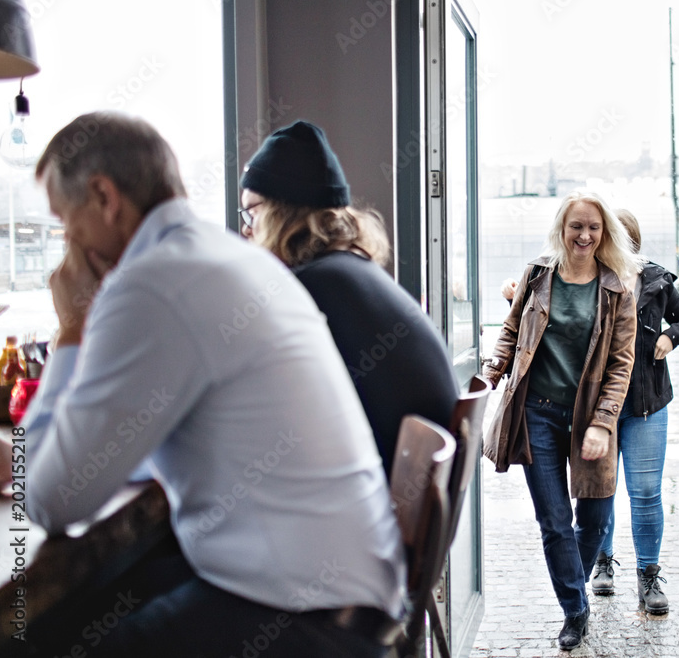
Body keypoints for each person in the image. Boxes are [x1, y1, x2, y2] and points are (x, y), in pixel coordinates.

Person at [22, 112, 404, 657]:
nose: (68, 245)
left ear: (105, 197)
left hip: (306, 624)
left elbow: (49, 501)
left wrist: (71, 329)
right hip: (348, 599)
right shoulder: (231, 259)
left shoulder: (150, 284)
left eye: (66, 222)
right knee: (100, 603)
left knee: (46, 636)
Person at [237, 120, 460, 478]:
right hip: (414, 494)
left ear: (281, 214)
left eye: (252, 211)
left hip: (381, 497)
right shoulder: (349, 271)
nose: (246, 228)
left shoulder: (313, 286)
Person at [482, 191, 638, 651]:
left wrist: (602, 422)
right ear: (562, 229)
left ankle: (575, 587)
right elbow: (511, 331)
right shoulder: (537, 275)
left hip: (591, 420)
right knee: (554, 521)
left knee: (594, 518)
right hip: (538, 416)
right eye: (576, 226)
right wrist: (491, 372)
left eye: (593, 227)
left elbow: (621, 364)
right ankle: (575, 609)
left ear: (603, 232)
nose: (584, 235)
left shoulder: (617, 290)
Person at [590, 209, 679, 614]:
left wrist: (673, 336)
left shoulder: (656, 280)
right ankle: (602, 564)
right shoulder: (586, 279)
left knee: (646, 494)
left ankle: (648, 576)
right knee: (601, 491)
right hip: (599, 409)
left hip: (648, 405)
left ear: (631, 240)